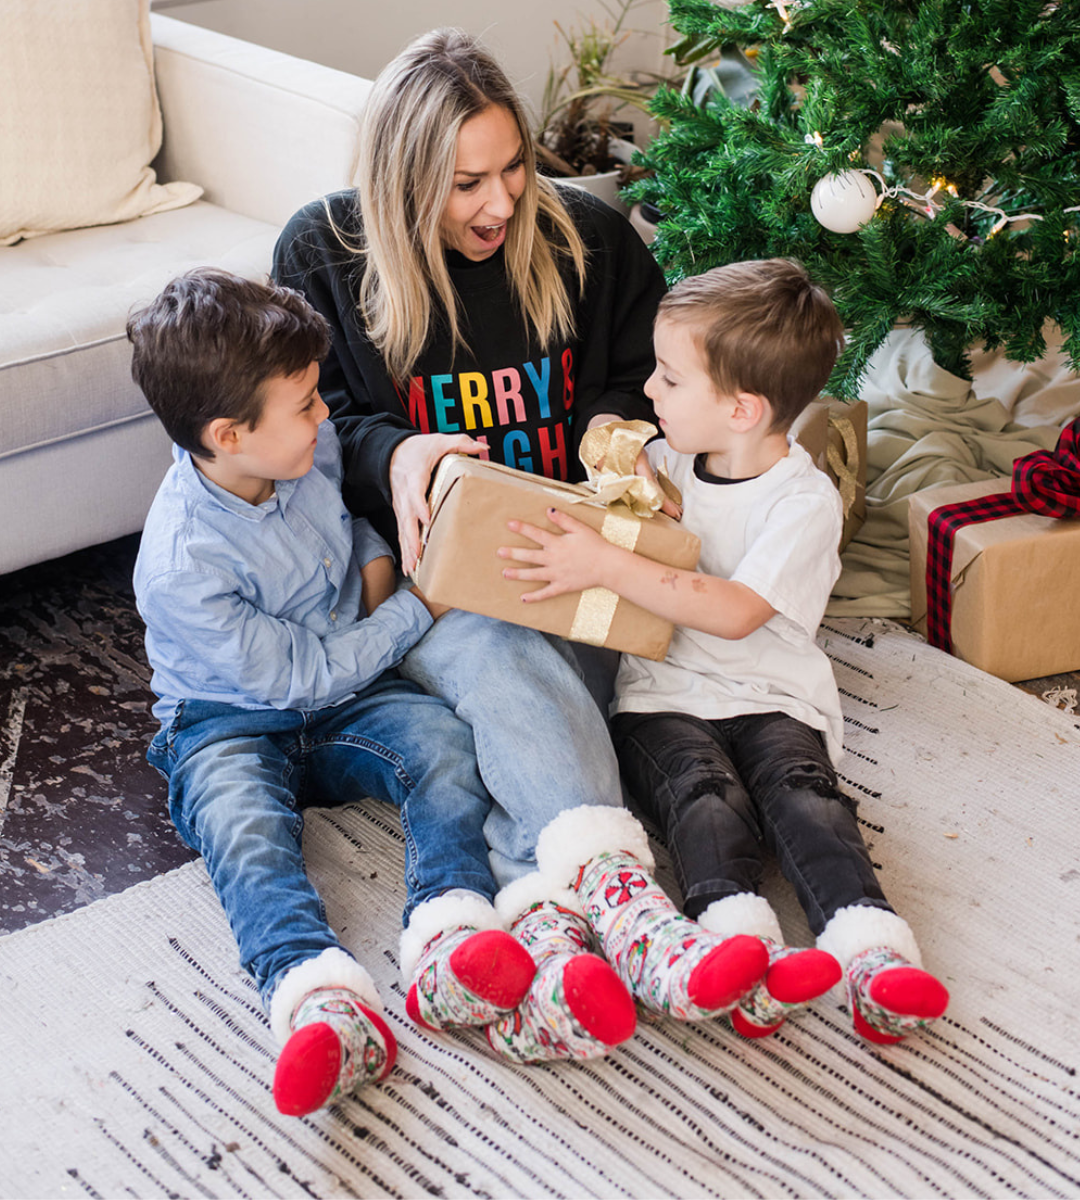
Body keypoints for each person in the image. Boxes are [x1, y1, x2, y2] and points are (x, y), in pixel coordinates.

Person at [274, 30, 773, 1066]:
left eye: (514, 168)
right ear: (402, 183)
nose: (500, 205)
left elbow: (645, 379)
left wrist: (612, 435)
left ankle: (543, 937)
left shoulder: (586, 235)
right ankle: (631, 914)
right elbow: (312, 430)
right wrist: (400, 454)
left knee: (560, 688)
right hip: (429, 577)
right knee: (501, 660)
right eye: (465, 185)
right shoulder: (324, 251)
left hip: (580, 560)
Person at [128, 268, 551, 1119]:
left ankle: (449, 926)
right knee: (245, 830)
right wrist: (413, 609)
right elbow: (300, 677)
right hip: (228, 718)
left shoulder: (304, 444)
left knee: (444, 747)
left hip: (345, 686)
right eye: (307, 404)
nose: (328, 415)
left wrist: (374, 562)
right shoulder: (183, 565)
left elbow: (343, 520)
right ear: (228, 434)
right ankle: (311, 989)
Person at [499, 259, 950, 1045]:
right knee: (705, 799)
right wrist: (614, 444)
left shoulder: (801, 502)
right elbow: (607, 456)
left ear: (742, 410)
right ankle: (742, 947)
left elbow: (735, 611)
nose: (649, 391)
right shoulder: (667, 466)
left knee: (805, 798)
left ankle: (870, 949)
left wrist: (611, 565)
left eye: (669, 380)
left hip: (773, 696)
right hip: (660, 701)